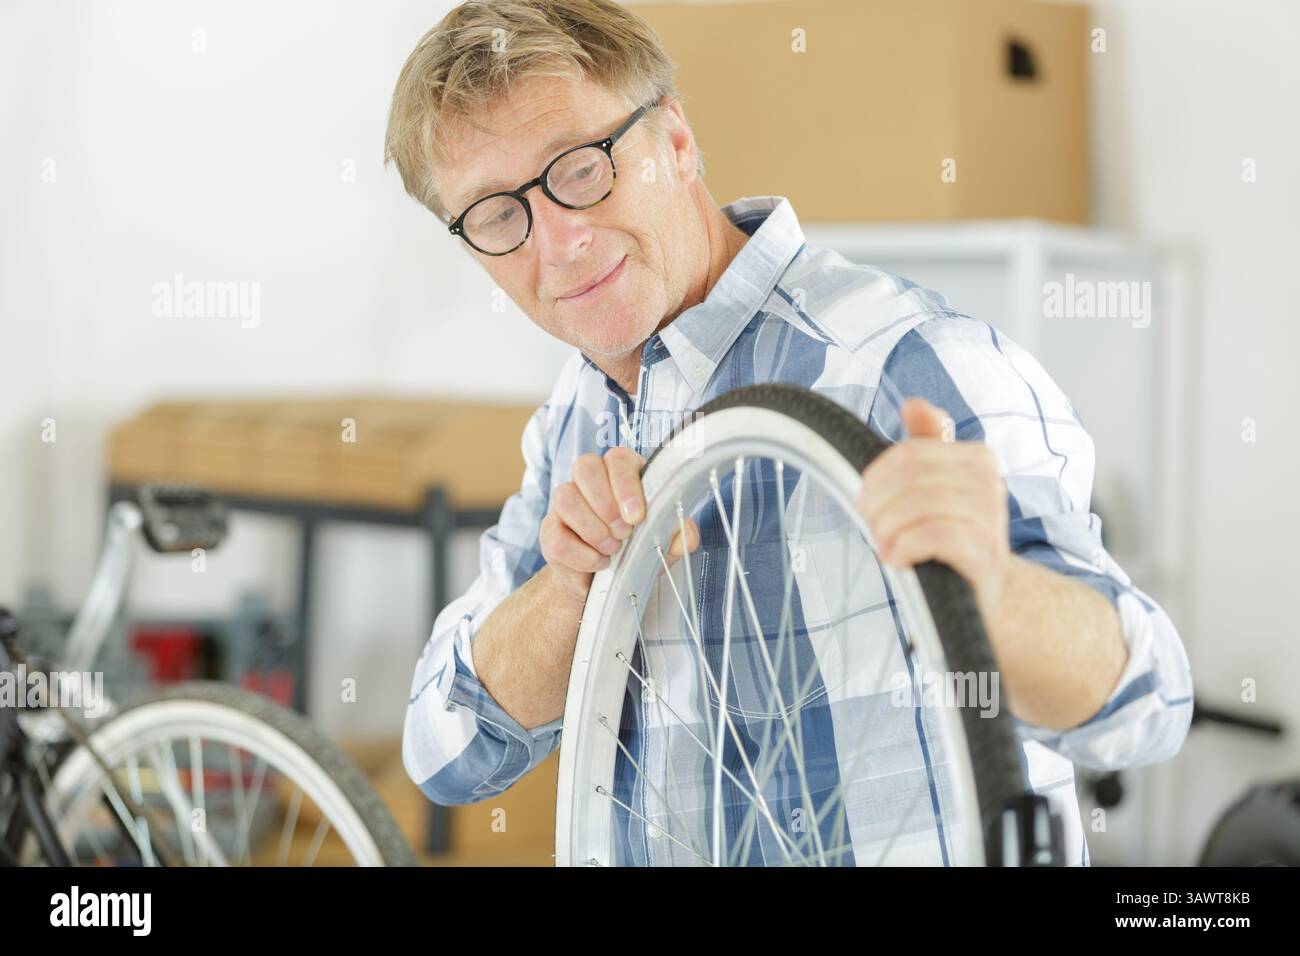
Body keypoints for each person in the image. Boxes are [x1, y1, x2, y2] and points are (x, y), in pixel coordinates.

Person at [385, 0, 1192, 865]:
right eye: (498, 215)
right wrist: (569, 595)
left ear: (677, 142)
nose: (559, 242)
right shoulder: (577, 416)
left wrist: (991, 591)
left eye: (580, 168)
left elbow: (1148, 705)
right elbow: (447, 753)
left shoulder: (900, 363)